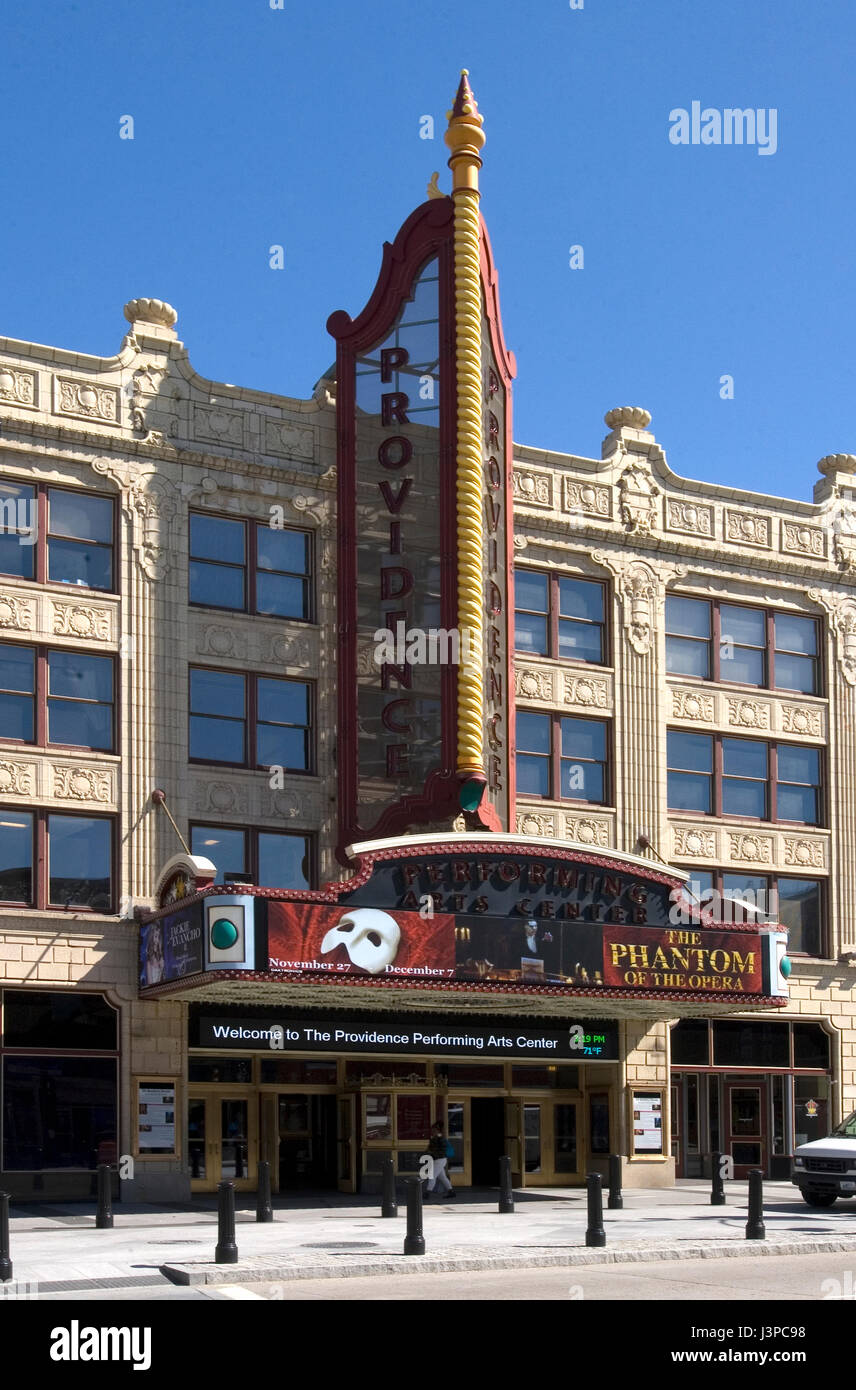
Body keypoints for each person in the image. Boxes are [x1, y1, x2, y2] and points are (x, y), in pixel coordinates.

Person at [425, 1121, 456, 1199]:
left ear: (437, 1130)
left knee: (432, 1176)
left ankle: (427, 1193)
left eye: (434, 1130)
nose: (432, 1131)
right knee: (442, 1177)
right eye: (432, 1130)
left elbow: (439, 1150)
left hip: (439, 1160)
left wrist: (431, 1152)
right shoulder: (436, 1138)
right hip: (439, 1160)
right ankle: (451, 1191)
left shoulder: (439, 1138)